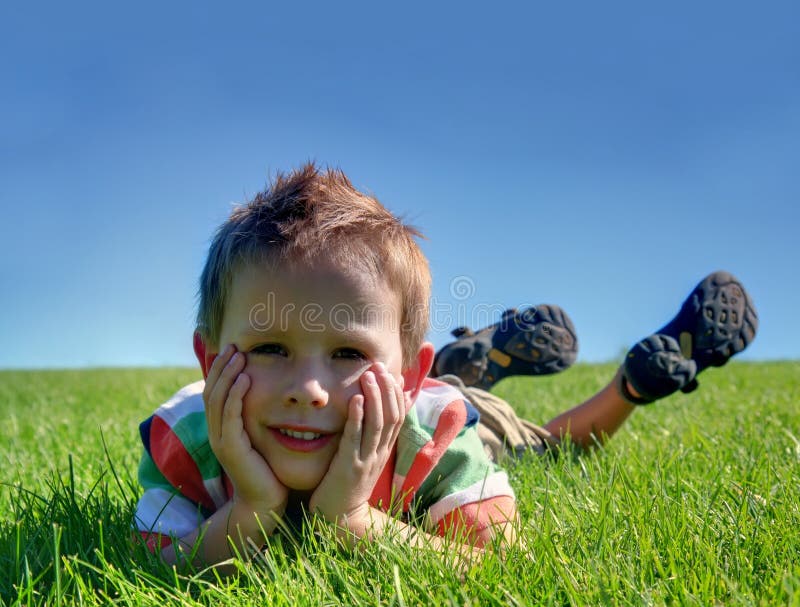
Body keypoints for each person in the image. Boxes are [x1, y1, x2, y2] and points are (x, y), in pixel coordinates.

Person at [134, 163, 758, 568]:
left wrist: (351, 519)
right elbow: (157, 560)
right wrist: (251, 510)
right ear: (211, 359)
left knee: (537, 445)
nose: (309, 391)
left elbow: (498, 563)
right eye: (271, 348)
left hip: (445, 413)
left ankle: (630, 384)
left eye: (347, 352)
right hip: (402, 388)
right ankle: (465, 359)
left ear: (407, 377)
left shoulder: (433, 432)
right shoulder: (187, 438)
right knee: (442, 388)